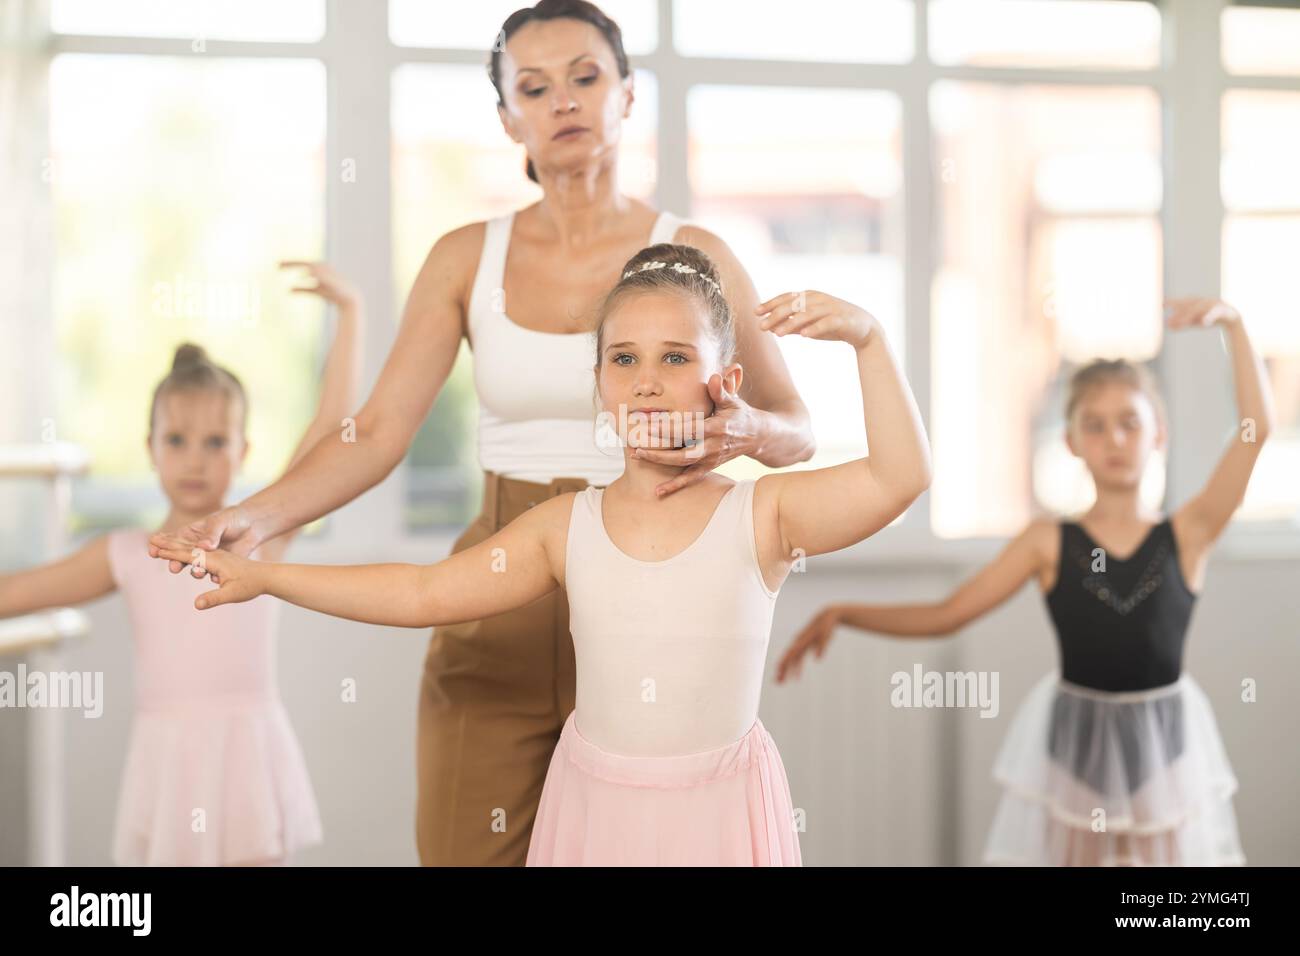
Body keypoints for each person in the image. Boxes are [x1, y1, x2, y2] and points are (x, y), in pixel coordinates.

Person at [148, 0, 815, 866]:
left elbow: (797, 431)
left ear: (628, 95)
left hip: (659, 582)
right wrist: (261, 517)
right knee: (467, 846)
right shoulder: (467, 255)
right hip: (500, 567)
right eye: (533, 87)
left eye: (586, 77)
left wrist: (744, 429)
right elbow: (379, 428)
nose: (564, 102)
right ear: (508, 118)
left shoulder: (697, 255)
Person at [151, 242, 932, 865]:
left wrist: (869, 338)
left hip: (719, 817)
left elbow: (901, 476)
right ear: (598, 386)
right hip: (596, 814)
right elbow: (424, 595)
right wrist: (267, 575)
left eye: (675, 358)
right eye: (624, 359)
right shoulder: (564, 527)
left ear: (725, 382)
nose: (648, 382)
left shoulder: (763, 515)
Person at [777, 297, 1273, 865]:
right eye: (1096, 425)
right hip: (1075, 754)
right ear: (1071, 441)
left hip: (1166, 752)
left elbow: (1254, 435)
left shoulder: (1190, 533)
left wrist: (1233, 325)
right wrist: (844, 612)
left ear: (1157, 433)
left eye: (1129, 423)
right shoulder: (1047, 541)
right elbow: (950, 613)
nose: (1113, 439)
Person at [0, 262, 364, 865]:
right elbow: (20, 591)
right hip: (168, 764)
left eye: (216, 442)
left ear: (243, 451)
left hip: (245, 757)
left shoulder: (258, 538)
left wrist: (350, 313)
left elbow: (334, 430)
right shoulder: (123, 552)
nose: (195, 460)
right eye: (177, 440)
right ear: (150, 448)